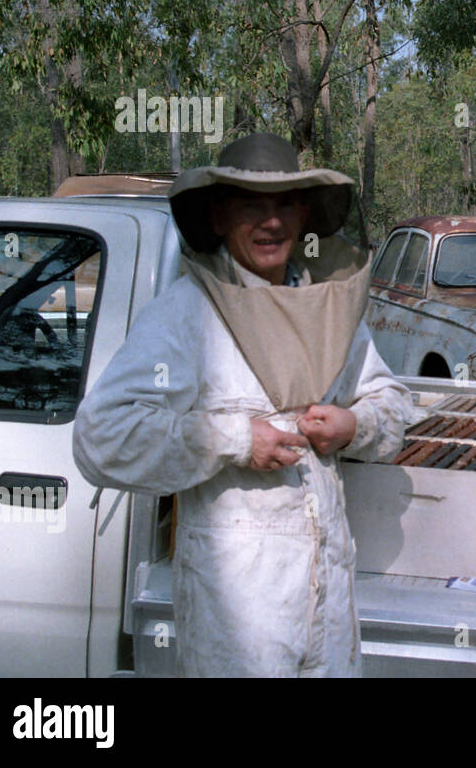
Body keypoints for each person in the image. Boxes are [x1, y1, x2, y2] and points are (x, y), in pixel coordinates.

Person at [73, 132, 419, 677]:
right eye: (250, 204)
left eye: (285, 203)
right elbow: (101, 437)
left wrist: (356, 424)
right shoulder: (187, 315)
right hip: (237, 619)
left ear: (304, 213)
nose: (271, 221)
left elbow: (392, 400)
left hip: (329, 609)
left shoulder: (324, 307)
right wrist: (235, 439)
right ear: (217, 216)